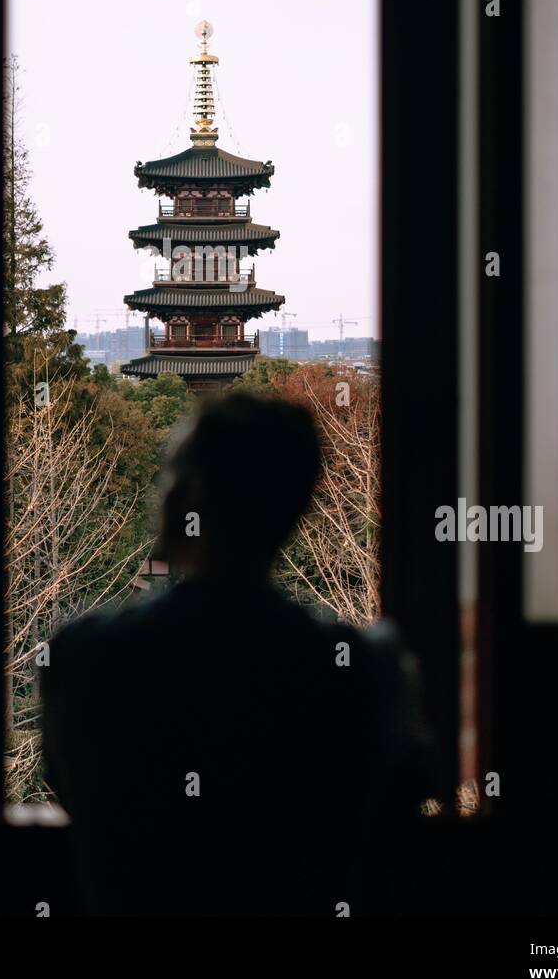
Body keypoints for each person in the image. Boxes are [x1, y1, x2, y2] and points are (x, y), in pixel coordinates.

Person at [40, 391, 433, 916]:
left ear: (192, 493)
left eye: (170, 471)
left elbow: (74, 791)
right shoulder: (359, 669)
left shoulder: (86, 656)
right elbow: (398, 796)